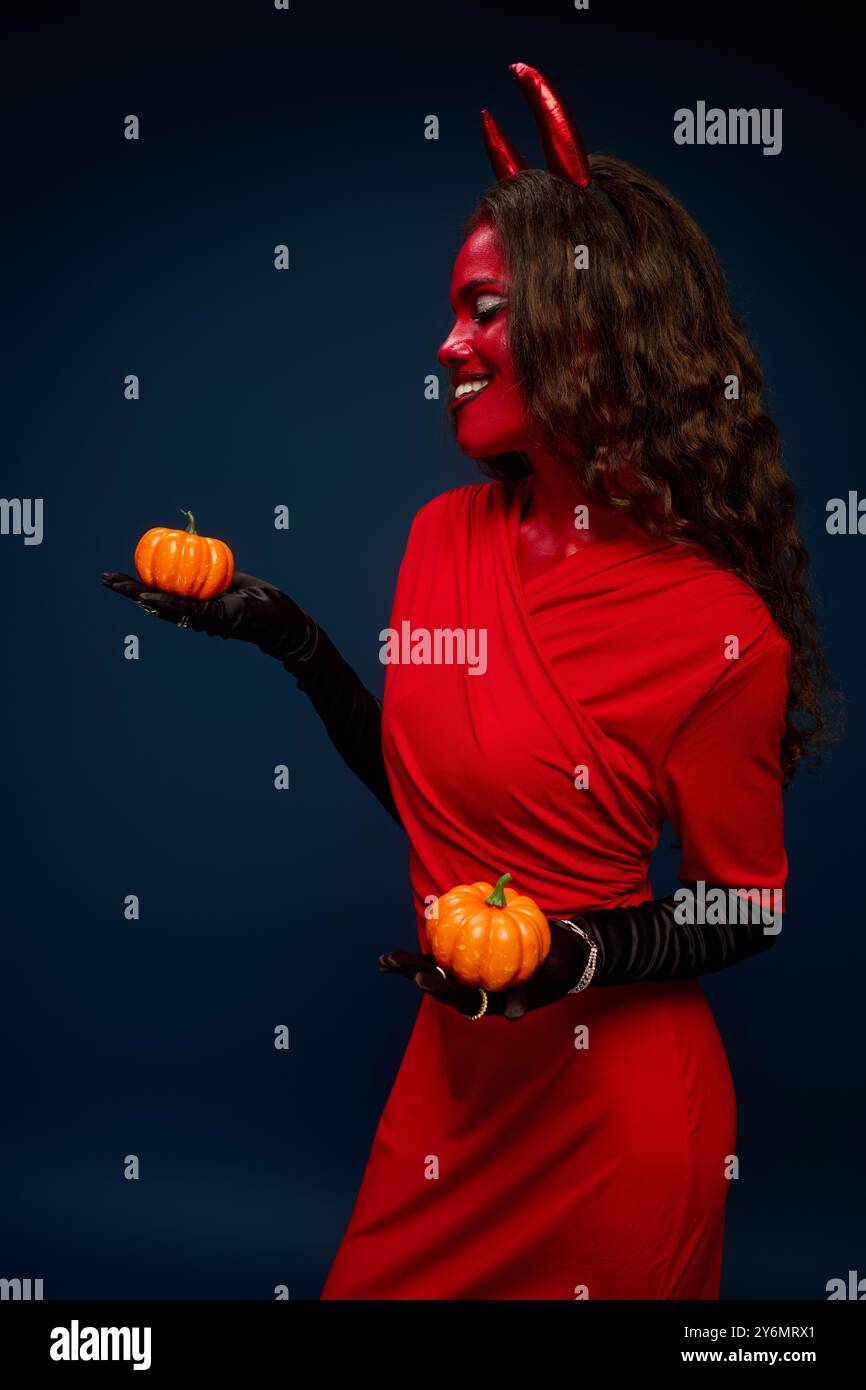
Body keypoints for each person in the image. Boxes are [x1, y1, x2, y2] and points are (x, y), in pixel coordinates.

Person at [103, 64, 835, 1299]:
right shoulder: (441, 536)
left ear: (592, 329)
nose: (447, 345)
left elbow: (746, 906)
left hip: (616, 1124)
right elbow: (442, 802)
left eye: (484, 311)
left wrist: (571, 962)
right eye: (455, 313)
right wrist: (288, 637)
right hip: (453, 1094)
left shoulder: (721, 634)